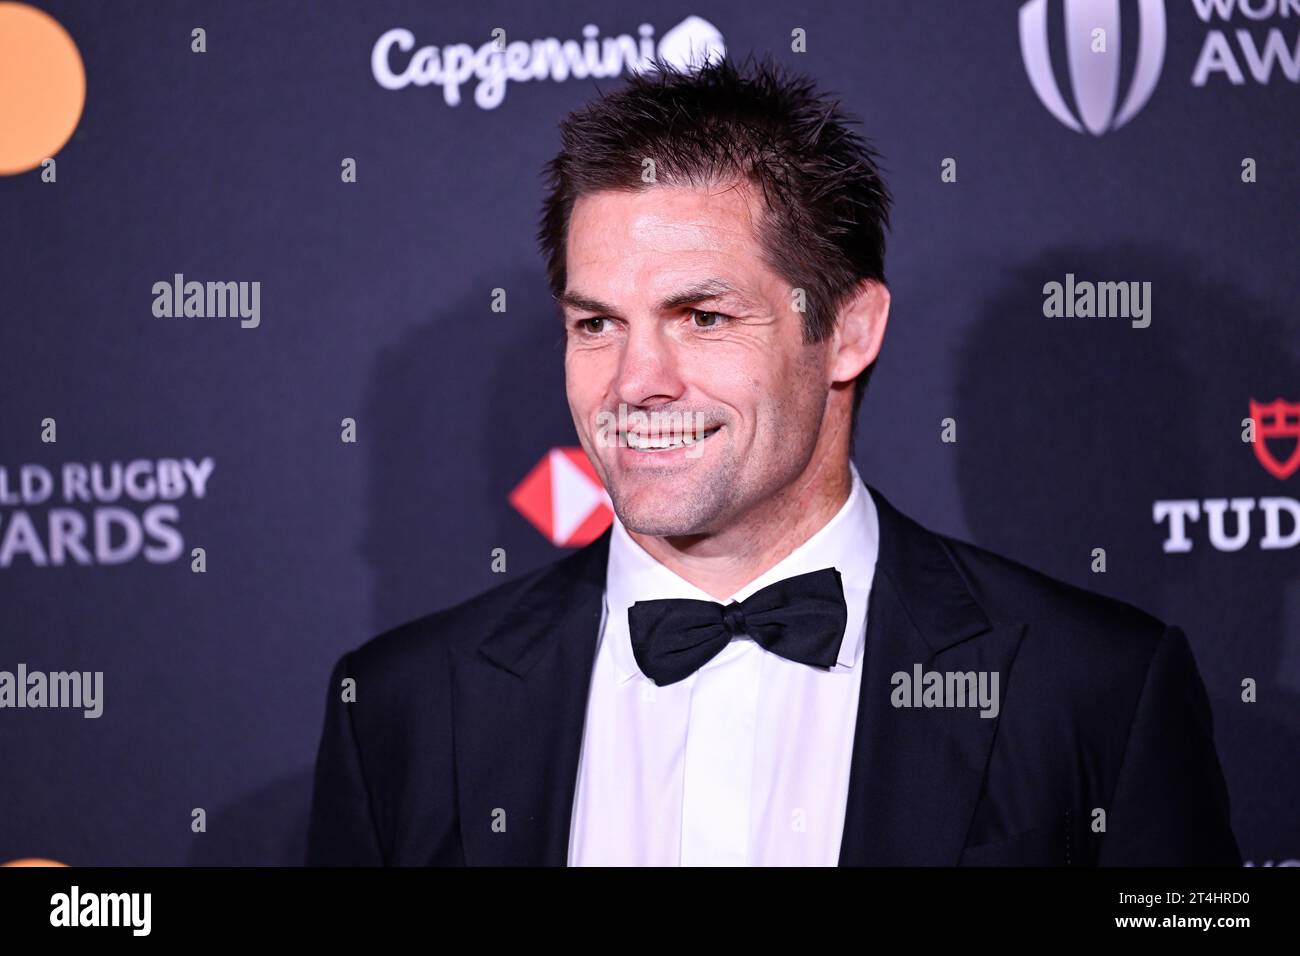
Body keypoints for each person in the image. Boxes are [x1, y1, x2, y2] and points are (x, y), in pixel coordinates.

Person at [305, 56, 1239, 866]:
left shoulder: (1092, 691)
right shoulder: (404, 710)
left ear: (848, 332)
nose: (635, 383)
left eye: (702, 318)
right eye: (597, 324)